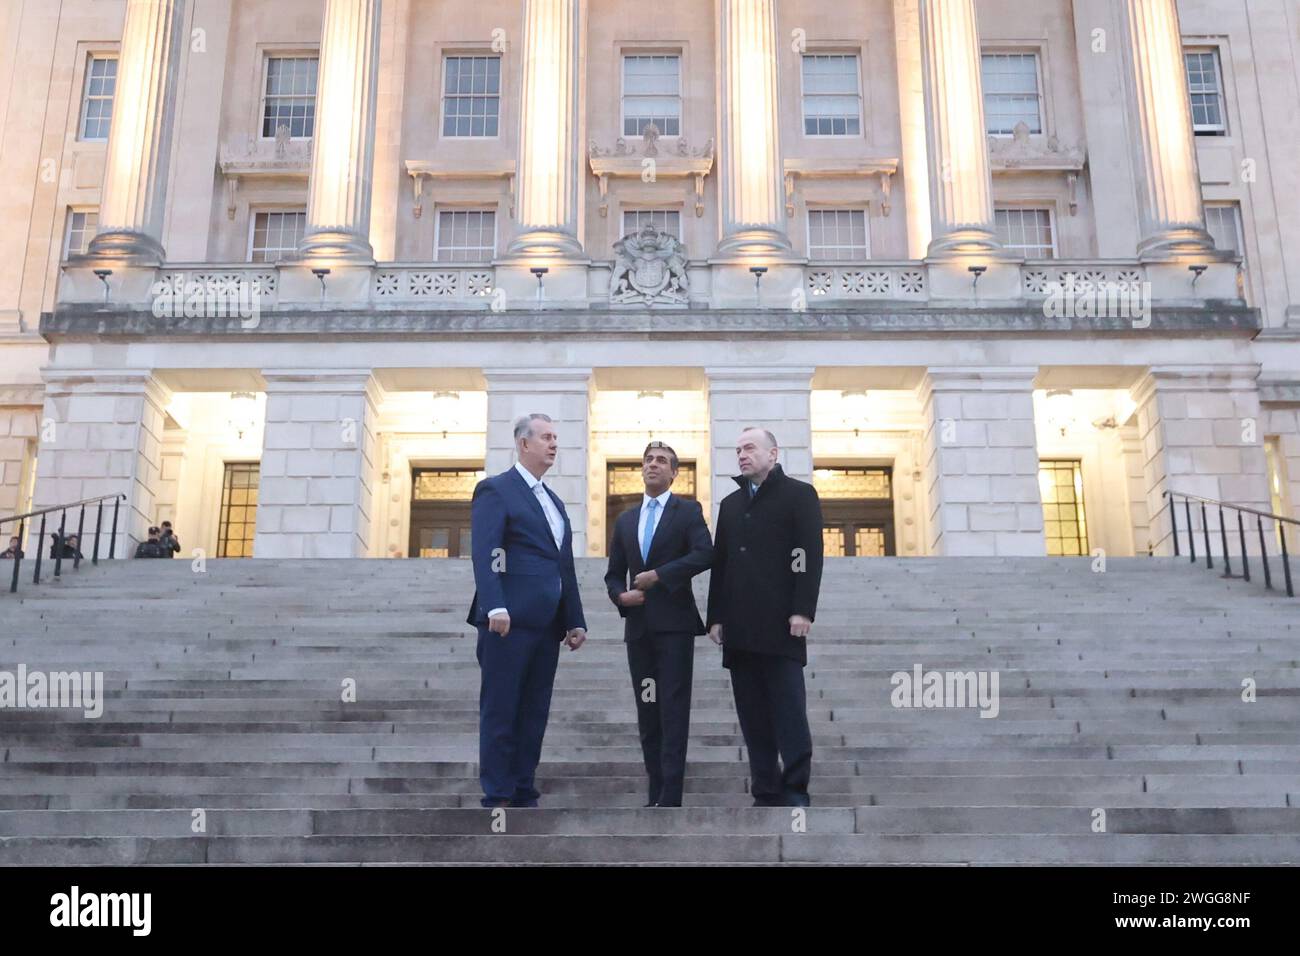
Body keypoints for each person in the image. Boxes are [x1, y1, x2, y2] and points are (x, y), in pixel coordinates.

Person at [465, 413, 587, 809]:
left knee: (534, 712)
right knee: (502, 708)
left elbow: (562, 563)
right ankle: (497, 793)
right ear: (523, 443)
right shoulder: (496, 490)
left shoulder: (553, 501)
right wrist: (494, 604)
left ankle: (522, 787)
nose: (554, 444)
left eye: (556, 437)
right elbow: (486, 552)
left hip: (546, 625)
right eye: (546, 437)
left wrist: (575, 619)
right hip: (507, 621)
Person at [706, 427, 824, 808]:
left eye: (750, 448)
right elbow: (720, 564)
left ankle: (795, 788)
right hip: (739, 629)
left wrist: (802, 609)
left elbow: (809, 555)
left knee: (789, 712)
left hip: (781, 625)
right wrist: (716, 616)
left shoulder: (799, 495)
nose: (742, 454)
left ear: (773, 453)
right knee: (753, 716)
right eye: (738, 449)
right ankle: (765, 789)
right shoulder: (730, 504)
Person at [604, 441, 713, 808]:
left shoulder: (687, 511)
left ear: (674, 473)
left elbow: (705, 553)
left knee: (673, 708)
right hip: (639, 631)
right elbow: (613, 574)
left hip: (675, 629)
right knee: (648, 709)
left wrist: (660, 576)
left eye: (662, 461)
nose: (653, 464)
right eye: (648, 459)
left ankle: (671, 795)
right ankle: (655, 791)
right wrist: (621, 596)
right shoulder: (626, 520)